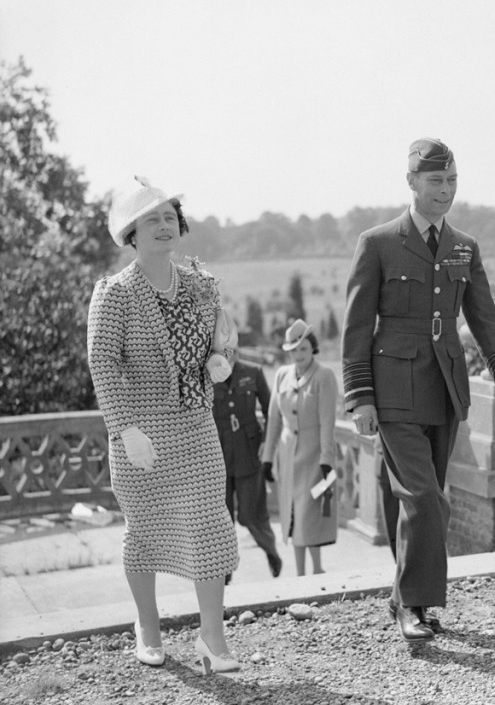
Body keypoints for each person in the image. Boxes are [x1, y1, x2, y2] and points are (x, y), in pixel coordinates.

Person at [342, 138, 495, 644]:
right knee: (425, 499)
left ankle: (405, 595)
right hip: (393, 389)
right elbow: (356, 327)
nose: (444, 191)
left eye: (451, 181)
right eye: (434, 181)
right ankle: (416, 605)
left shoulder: (464, 246)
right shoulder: (377, 242)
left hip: (445, 389)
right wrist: (359, 397)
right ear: (412, 184)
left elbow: (486, 318)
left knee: (420, 497)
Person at [87, 176, 241, 673]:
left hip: (196, 428)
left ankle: (212, 642)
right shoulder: (114, 294)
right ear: (131, 232)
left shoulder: (201, 282)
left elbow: (222, 340)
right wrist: (125, 428)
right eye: (151, 219)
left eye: (169, 216)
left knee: (210, 528)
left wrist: (220, 359)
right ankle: (147, 627)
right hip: (142, 437)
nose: (163, 225)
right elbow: (103, 361)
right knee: (146, 534)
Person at [261, 319, 339, 576]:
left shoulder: (324, 376)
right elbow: (273, 419)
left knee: (309, 515)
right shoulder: (282, 375)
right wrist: (268, 458)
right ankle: (299, 573)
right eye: (294, 350)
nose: (298, 355)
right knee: (292, 515)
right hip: (287, 455)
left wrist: (327, 459)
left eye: (303, 349)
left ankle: (316, 570)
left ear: (312, 349)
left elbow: (328, 421)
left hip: (314, 455)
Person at [212, 336, 283, 581]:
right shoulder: (208, 376)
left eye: (232, 349)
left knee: (251, 514)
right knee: (222, 518)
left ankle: (271, 552)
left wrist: (266, 445)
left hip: (249, 454)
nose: (228, 354)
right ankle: (225, 568)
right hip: (218, 458)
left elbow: (272, 410)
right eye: (223, 350)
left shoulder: (253, 373)